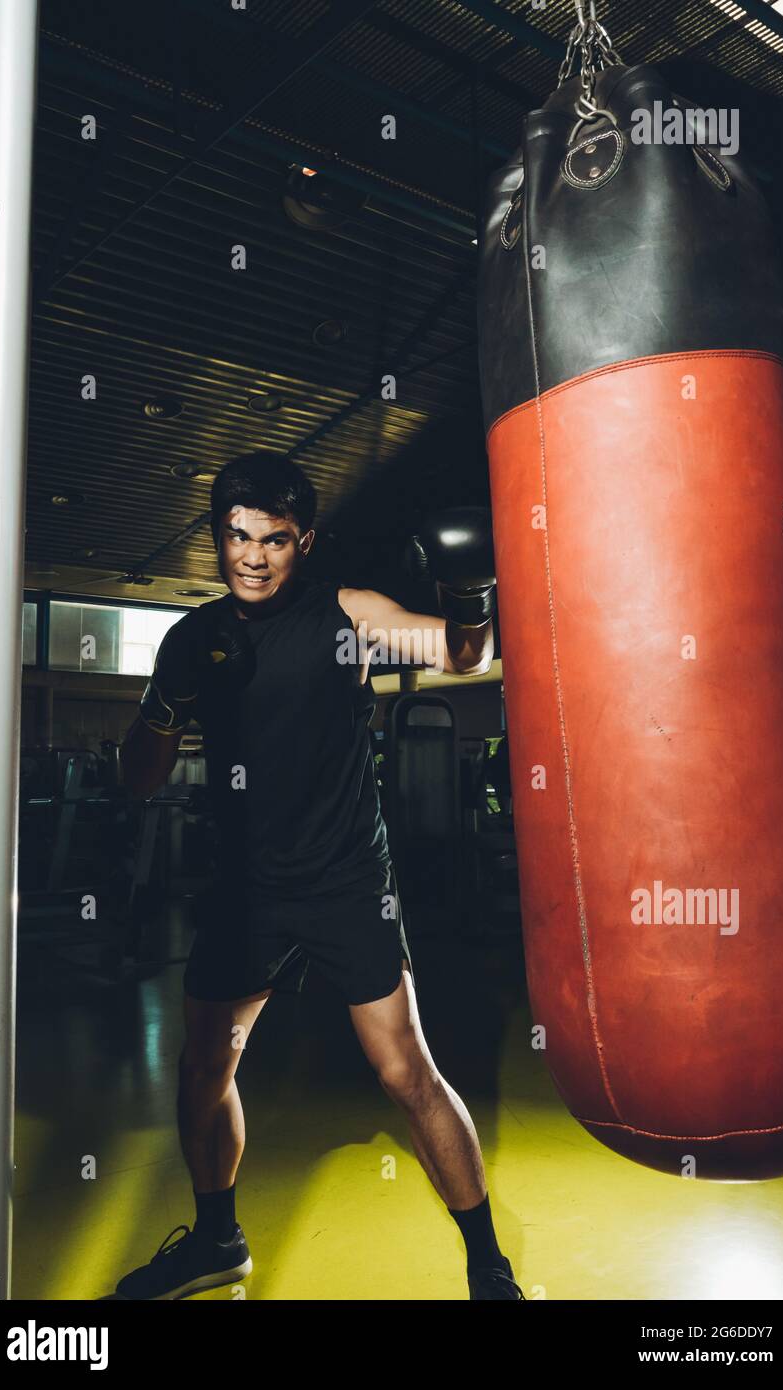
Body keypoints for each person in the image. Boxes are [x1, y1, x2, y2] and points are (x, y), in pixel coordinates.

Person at [115, 450, 524, 1301]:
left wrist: (470, 594)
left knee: (406, 1071)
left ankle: (489, 1266)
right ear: (217, 535)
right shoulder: (193, 639)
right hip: (245, 893)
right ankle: (218, 1241)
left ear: (305, 541)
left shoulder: (347, 613)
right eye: (237, 536)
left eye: (275, 540)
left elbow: (461, 653)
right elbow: (141, 777)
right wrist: (160, 704)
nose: (253, 557)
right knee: (205, 1066)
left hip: (345, 881)